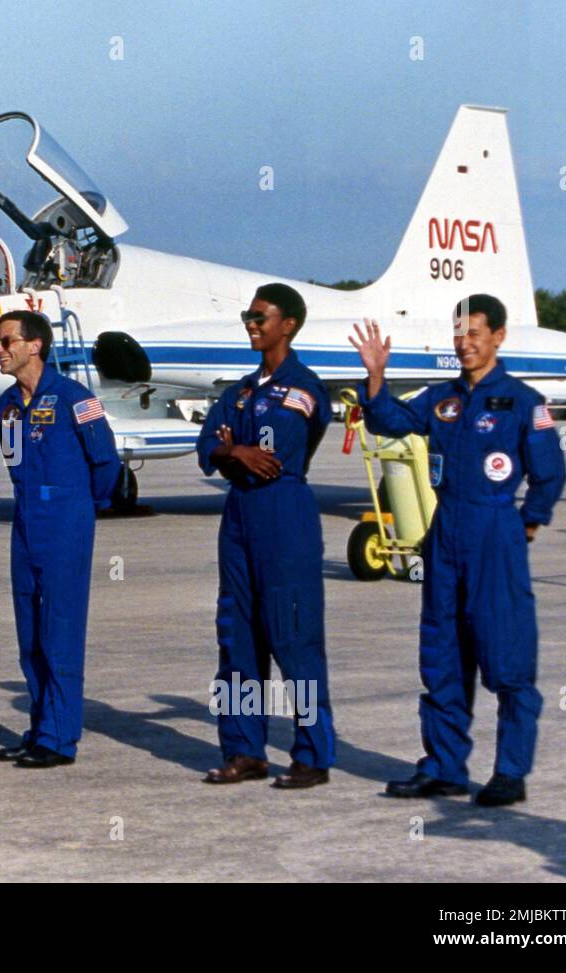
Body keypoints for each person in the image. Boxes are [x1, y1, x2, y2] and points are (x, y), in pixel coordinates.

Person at [350, 294, 566, 806]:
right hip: (444, 534)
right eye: (458, 333)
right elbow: (388, 422)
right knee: (442, 655)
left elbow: (550, 473)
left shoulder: (524, 402)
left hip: (496, 535)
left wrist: (528, 524)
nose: (464, 343)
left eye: (474, 333)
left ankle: (510, 773)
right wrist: (376, 376)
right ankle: (444, 767)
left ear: (499, 337)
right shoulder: (442, 399)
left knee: (507, 657)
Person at [196, 283, 337, 788]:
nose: (251, 325)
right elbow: (207, 442)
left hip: (284, 518)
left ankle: (312, 756)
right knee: (236, 640)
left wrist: (237, 448)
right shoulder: (239, 390)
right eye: (247, 317)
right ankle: (244, 750)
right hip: (239, 520)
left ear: (289, 324)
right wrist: (232, 452)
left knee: (293, 637)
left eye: (261, 317)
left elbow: (273, 457)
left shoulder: (304, 388)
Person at [0, 310, 120, 767]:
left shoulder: (73, 397)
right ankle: (40, 725)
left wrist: (80, 509)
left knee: (59, 631)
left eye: (6, 341)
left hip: (65, 517)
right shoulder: (6, 404)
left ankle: (59, 738)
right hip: (25, 518)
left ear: (35, 345)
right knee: (29, 633)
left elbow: (106, 464)